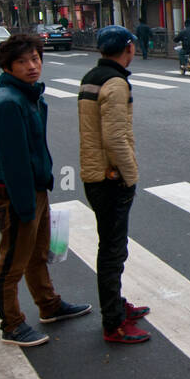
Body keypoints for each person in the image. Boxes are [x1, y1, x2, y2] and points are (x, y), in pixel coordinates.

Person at [0, 33, 91, 347]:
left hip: (35, 188)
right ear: (8, 66)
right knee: (13, 260)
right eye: (22, 61)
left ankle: (49, 305)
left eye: (35, 59)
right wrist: (24, 205)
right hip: (16, 192)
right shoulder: (8, 103)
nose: (32, 66)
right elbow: (13, 160)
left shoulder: (29, 96)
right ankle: (12, 324)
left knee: (37, 253)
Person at [78, 25, 150, 344]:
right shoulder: (115, 82)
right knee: (112, 250)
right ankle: (113, 322)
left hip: (95, 174)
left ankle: (115, 305)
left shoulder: (92, 77)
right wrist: (130, 174)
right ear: (129, 49)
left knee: (110, 246)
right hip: (110, 178)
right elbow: (115, 137)